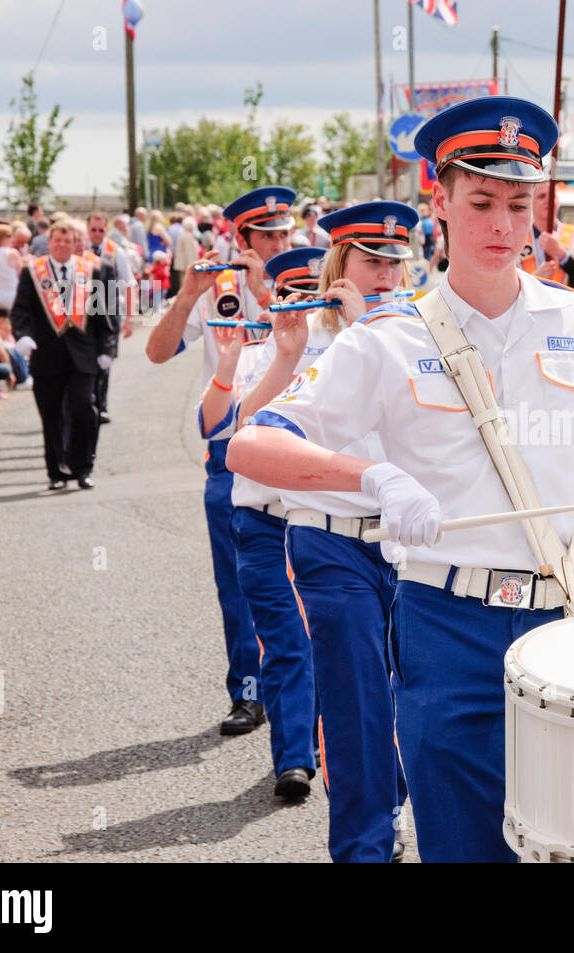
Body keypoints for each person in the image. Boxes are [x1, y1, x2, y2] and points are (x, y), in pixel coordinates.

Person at [226, 96, 574, 862]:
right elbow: (252, 445)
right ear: (439, 202)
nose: (503, 225)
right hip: (447, 625)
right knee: (466, 847)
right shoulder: (388, 337)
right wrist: (373, 478)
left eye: (520, 203)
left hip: (570, 620)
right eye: (481, 202)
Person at [257, 204, 417, 857]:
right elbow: (249, 428)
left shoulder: (421, 328)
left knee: (415, 692)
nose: (383, 272)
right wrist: (326, 336)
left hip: (412, 538)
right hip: (330, 535)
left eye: (392, 259)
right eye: (369, 259)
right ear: (339, 262)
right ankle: (363, 844)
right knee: (355, 702)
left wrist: (375, 325)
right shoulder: (308, 332)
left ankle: (397, 799)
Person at [145, 187, 295, 735]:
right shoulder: (218, 291)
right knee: (238, 578)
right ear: (242, 239)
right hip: (231, 450)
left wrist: (272, 292)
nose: (281, 243)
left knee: (311, 576)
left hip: (301, 448)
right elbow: (158, 351)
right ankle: (248, 689)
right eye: (269, 236)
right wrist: (186, 297)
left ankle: (305, 695)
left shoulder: (306, 280)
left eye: (285, 232)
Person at [199, 246, 324, 800]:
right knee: (287, 641)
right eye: (289, 296)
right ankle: (294, 757)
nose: (298, 308)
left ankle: (318, 739)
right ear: (272, 298)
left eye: (310, 296)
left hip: (325, 522)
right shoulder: (252, 353)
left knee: (331, 643)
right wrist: (232, 366)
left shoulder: (348, 351)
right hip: (264, 523)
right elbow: (219, 425)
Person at [9, 220, 114, 490]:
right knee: (51, 414)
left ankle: (83, 467)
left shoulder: (90, 271)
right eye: (58, 240)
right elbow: (21, 309)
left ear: (75, 243)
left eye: (68, 241)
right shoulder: (33, 272)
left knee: (84, 409)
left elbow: (102, 312)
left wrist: (107, 349)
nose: (62, 245)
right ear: (50, 242)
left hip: (83, 354)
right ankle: (56, 472)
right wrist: (23, 336)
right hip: (46, 354)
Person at [85, 213, 134, 425]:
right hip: (85, 315)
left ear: (107, 230)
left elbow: (129, 283)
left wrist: (129, 318)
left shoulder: (115, 252)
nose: (96, 234)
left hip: (110, 313)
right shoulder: (81, 250)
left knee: (105, 362)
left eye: (100, 230)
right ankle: (88, 401)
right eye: (93, 230)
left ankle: (100, 406)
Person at [524, 181, 574, 294]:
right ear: (530, 203)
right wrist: (533, 279)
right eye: (541, 196)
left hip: (568, 309)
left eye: (552, 195)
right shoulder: (518, 237)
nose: (548, 200)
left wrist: (562, 254)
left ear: (558, 201)